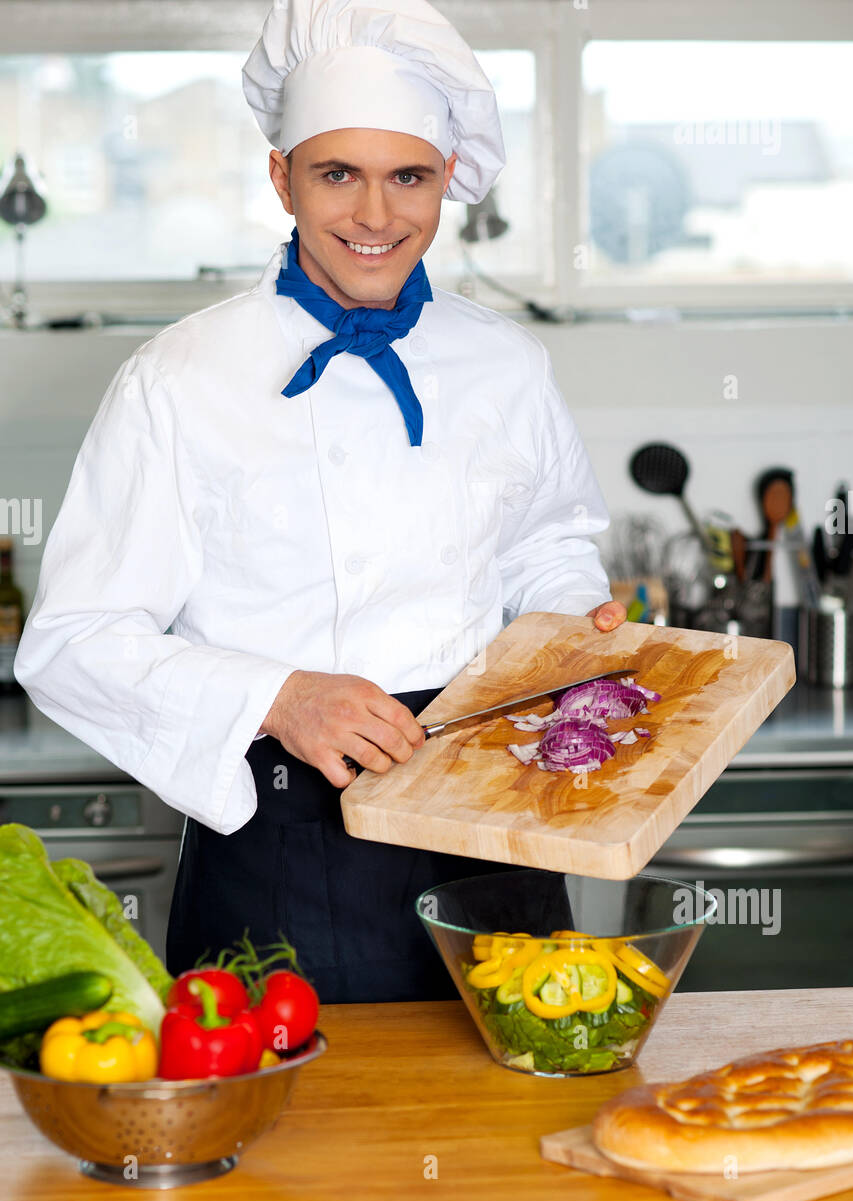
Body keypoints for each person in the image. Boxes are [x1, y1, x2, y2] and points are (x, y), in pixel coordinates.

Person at [14, 0, 626, 1003]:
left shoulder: (505, 363)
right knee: (288, 1155)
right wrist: (278, 696)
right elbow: (73, 641)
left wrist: (572, 631)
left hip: (490, 820)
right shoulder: (180, 378)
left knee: (500, 1136)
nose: (375, 217)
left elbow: (545, 547)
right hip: (281, 847)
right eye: (338, 174)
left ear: (447, 181)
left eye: (409, 177)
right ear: (280, 176)